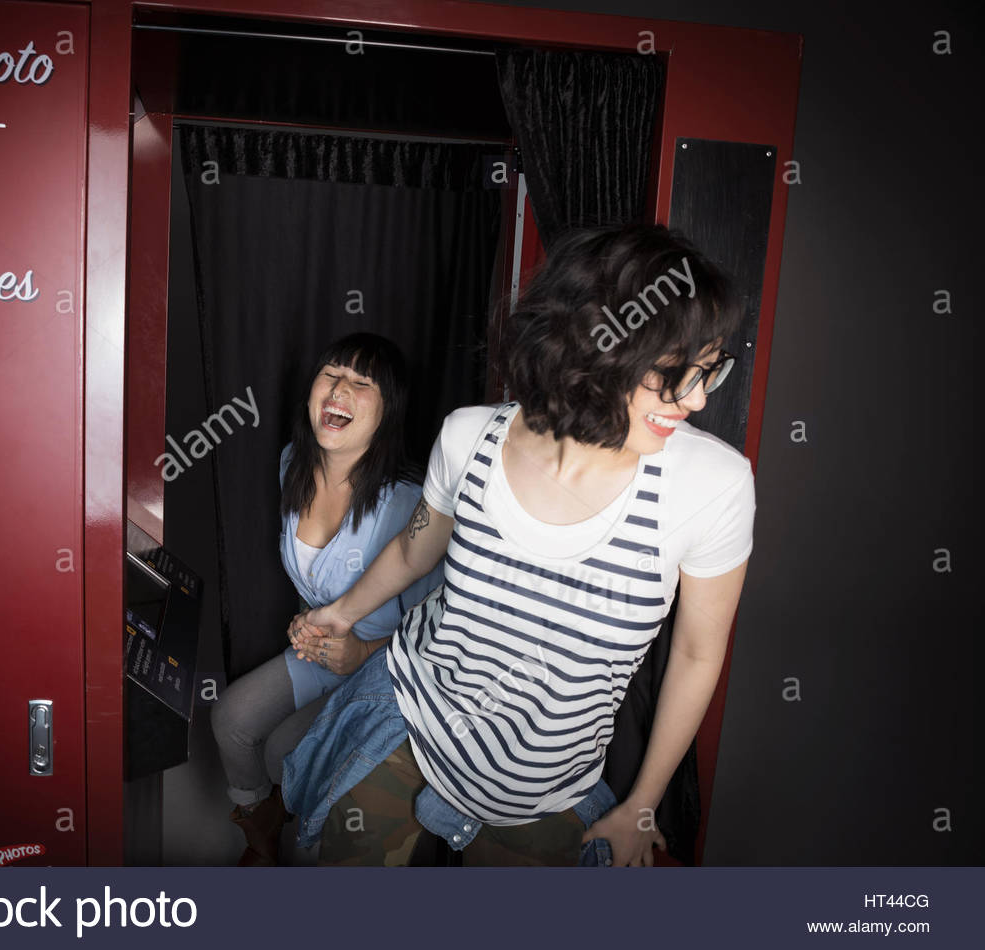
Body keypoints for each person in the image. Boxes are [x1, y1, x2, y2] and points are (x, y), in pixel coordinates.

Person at [284, 223, 755, 867]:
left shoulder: (712, 485)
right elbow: (415, 549)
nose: (696, 400)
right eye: (674, 373)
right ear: (593, 343)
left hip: (548, 786)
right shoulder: (469, 437)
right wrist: (337, 613)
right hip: (410, 717)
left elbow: (699, 653)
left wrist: (643, 802)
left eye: (708, 372)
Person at [210, 332, 445, 866]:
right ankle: (260, 830)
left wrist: (362, 654)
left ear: (387, 412)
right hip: (321, 652)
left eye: (362, 383)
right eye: (332, 374)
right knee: (229, 720)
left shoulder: (409, 506)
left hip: (384, 670)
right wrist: (305, 621)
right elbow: (312, 580)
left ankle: (292, 836)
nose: (340, 388)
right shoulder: (293, 462)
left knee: (279, 755)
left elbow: (437, 628)